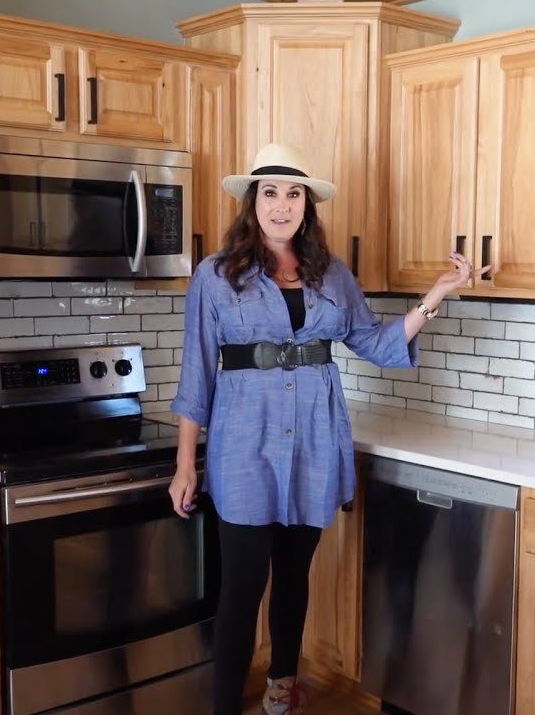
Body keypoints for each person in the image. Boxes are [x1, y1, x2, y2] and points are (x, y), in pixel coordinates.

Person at [168, 142, 486, 715]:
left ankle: (280, 693)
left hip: (314, 440)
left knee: (294, 578)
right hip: (244, 444)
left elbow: (373, 343)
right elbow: (197, 374)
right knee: (241, 589)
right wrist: (185, 463)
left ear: (307, 206)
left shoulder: (331, 274)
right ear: (252, 203)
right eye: (271, 193)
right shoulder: (216, 276)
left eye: (295, 194)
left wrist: (436, 295)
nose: (283, 205)